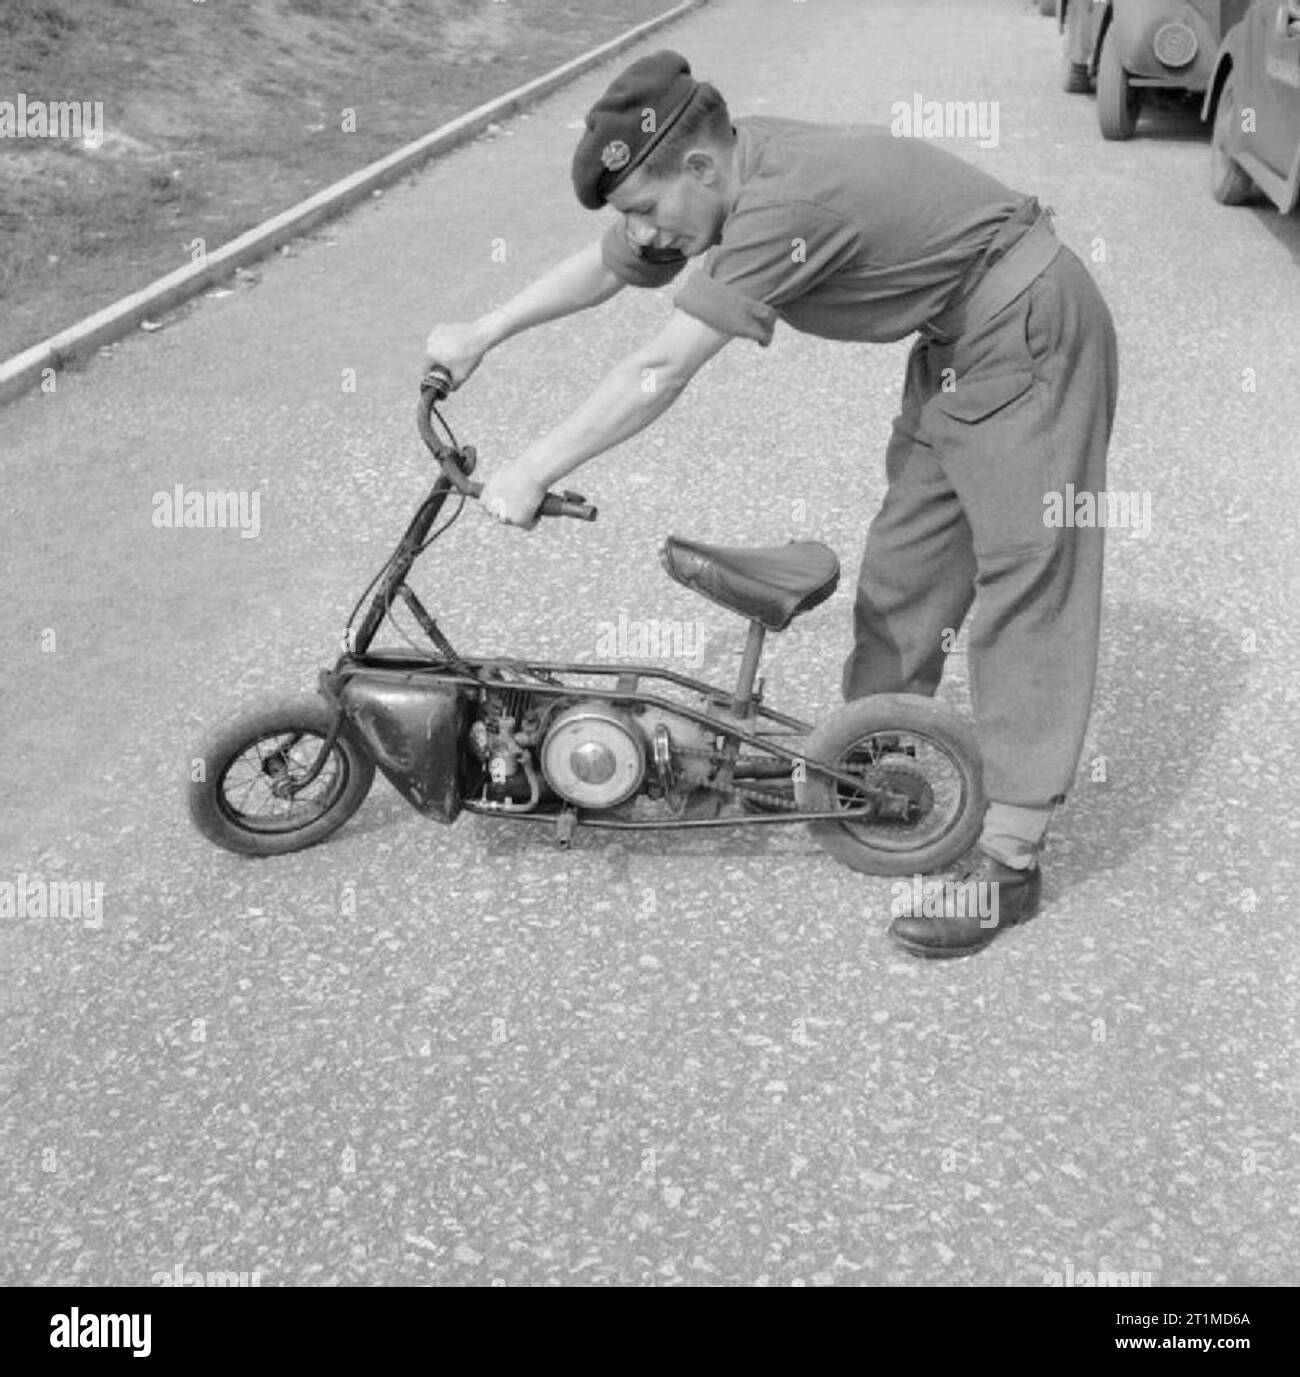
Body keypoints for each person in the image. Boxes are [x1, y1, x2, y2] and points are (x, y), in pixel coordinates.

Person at [423, 50, 1118, 959]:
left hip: (1028, 325)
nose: (644, 232)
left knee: (1030, 578)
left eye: (645, 207)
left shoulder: (780, 208)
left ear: (701, 169)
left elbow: (659, 367)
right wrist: (483, 331)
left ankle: (1010, 859)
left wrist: (534, 466)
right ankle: (873, 759)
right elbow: (609, 265)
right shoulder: (723, 169)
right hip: (956, 341)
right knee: (909, 560)